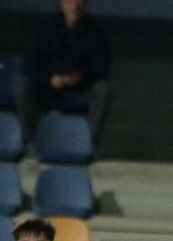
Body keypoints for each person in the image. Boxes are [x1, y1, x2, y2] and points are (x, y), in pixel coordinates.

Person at [16, 0, 111, 143]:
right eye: (70, 3)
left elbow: (102, 65)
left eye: (78, 4)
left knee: (103, 90)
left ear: (84, 5)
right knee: (21, 87)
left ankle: (87, 144)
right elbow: (31, 64)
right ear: (62, 5)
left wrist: (81, 77)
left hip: (81, 88)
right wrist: (50, 80)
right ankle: (34, 143)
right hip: (49, 87)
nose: (74, 8)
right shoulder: (47, 28)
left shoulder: (95, 31)